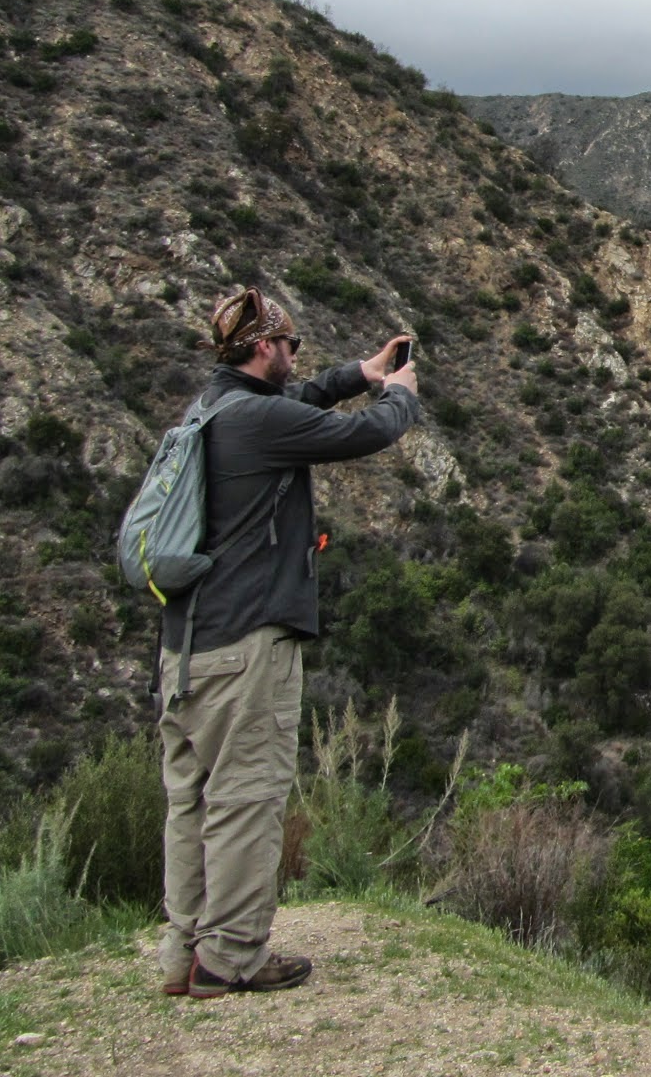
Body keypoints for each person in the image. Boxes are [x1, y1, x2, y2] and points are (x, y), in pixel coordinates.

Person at [157, 287, 420, 999]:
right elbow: (367, 436)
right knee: (246, 797)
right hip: (246, 647)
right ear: (265, 346)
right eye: (292, 344)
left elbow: (297, 399)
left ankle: (184, 954)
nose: (296, 355)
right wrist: (399, 394)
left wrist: (356, 374)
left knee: (193, 801)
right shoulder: (259, 422)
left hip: (186, 648)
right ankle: (232, 959)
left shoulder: (211, 411)